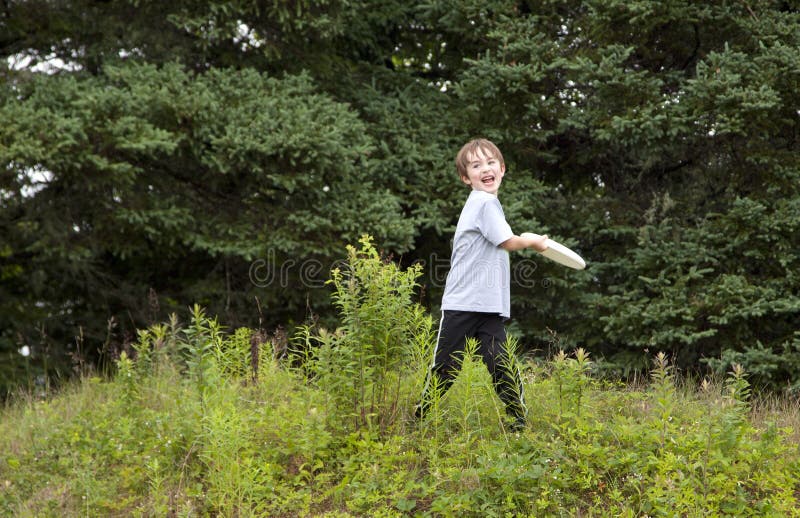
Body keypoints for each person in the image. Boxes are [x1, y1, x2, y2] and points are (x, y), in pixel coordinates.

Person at [415, 138, 548, 431]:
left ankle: (519, 423)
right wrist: (533, 241)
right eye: (476, 166)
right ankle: (420, 420)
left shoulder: (488, 204)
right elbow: (508, 242)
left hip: (488, 306)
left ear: (502, 169)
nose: (485, 169)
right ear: (466, 177)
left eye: (490, 163)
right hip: (463, 304)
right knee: (447, 367)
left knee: (501, 364)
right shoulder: (483, 202)